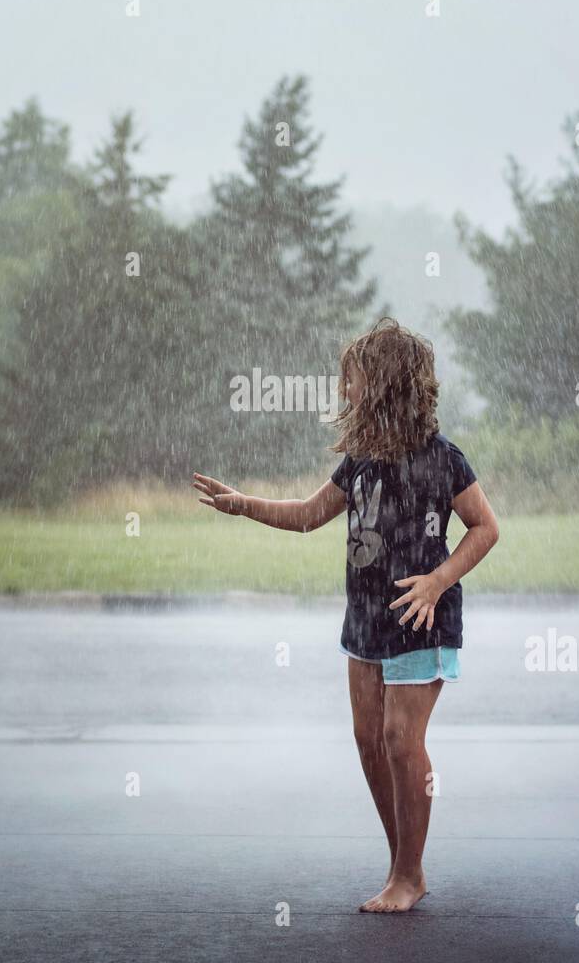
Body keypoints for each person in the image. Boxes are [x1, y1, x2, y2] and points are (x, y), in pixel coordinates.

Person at [193, 318, 499, 913]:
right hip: (363, 620)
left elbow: (486, 528)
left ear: (383, 386)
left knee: (399, 739)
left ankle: (408, 874)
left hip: (420, 616)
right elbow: (309, 515)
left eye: (352, 380)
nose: (343, 392)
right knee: (367, 740)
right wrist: (246, 505)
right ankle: (401, 863)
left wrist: (439, 580)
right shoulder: (358, 460)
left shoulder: (443, 459)